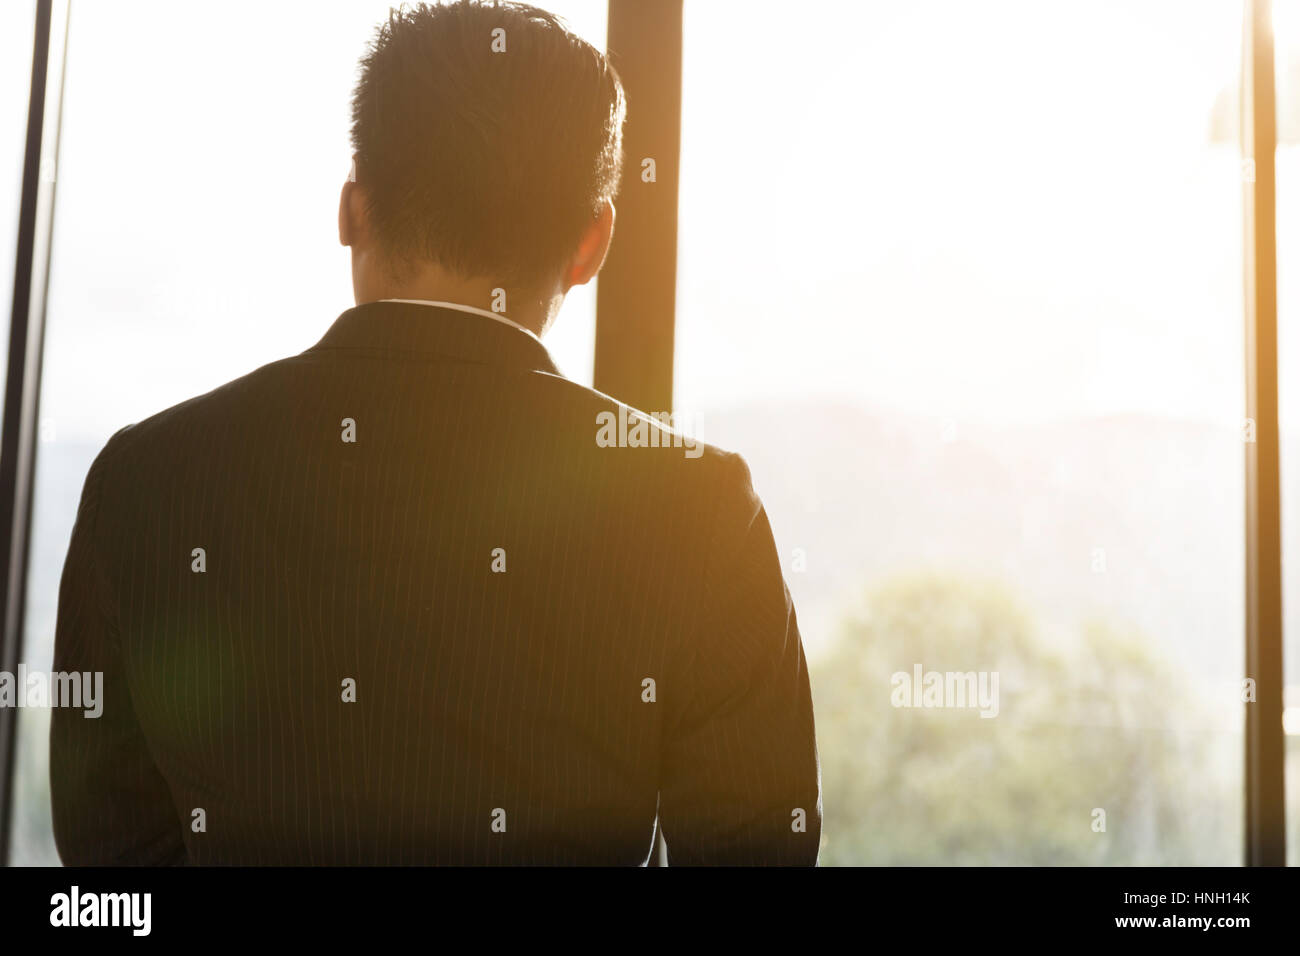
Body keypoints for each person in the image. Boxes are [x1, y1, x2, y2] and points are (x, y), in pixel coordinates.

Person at [50, 0, 820, 866]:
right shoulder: (701, 509)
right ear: (591, 243)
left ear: (352, 209)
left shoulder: (147, 481)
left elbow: (111, 860)